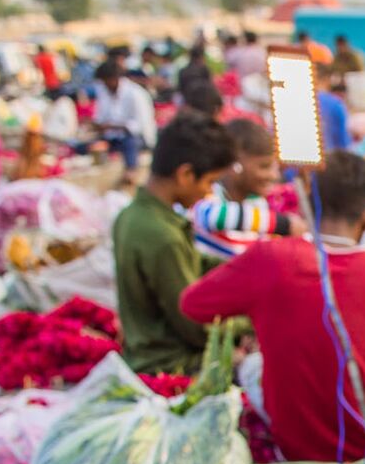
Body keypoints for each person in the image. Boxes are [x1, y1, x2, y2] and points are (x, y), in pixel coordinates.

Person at [181, 150, 365, 462]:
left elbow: (193, 305)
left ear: (306, 203)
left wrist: (267, 314)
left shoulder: (268, 259)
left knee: (253, 364)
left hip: (296, 447)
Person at [111, 113, 235, 375]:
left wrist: (245, 268)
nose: (210, 193)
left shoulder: (132, 215)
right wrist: (250, 320)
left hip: (142, 352)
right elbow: (196, 327)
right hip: (171, 365)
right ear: (186, 174)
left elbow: (196, 262)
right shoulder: (162, 237)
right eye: (210, 182)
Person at [190, 117, 298, 263]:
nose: (274, 175)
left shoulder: (256, 203)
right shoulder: (209, 193)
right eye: (264, 166)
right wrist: (285, 224)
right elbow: (212, 215)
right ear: (235, 164)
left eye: (275, 167)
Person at [92, 58, 156, 179]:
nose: (105, 85)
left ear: (114, 78)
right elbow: (101, 117)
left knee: (130, 143)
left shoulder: (135, 93)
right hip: (114, 137)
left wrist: (113, 126)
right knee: (91, 145)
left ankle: (131, 171)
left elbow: (139, 126)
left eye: (106, 81)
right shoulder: (105, 93)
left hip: (137, 138)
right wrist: (98, 125)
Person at [318, 73, 352, 152]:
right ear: (327, 79)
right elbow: (344, 144)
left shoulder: (292, 102)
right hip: (329, 159)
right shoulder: (334, 104)